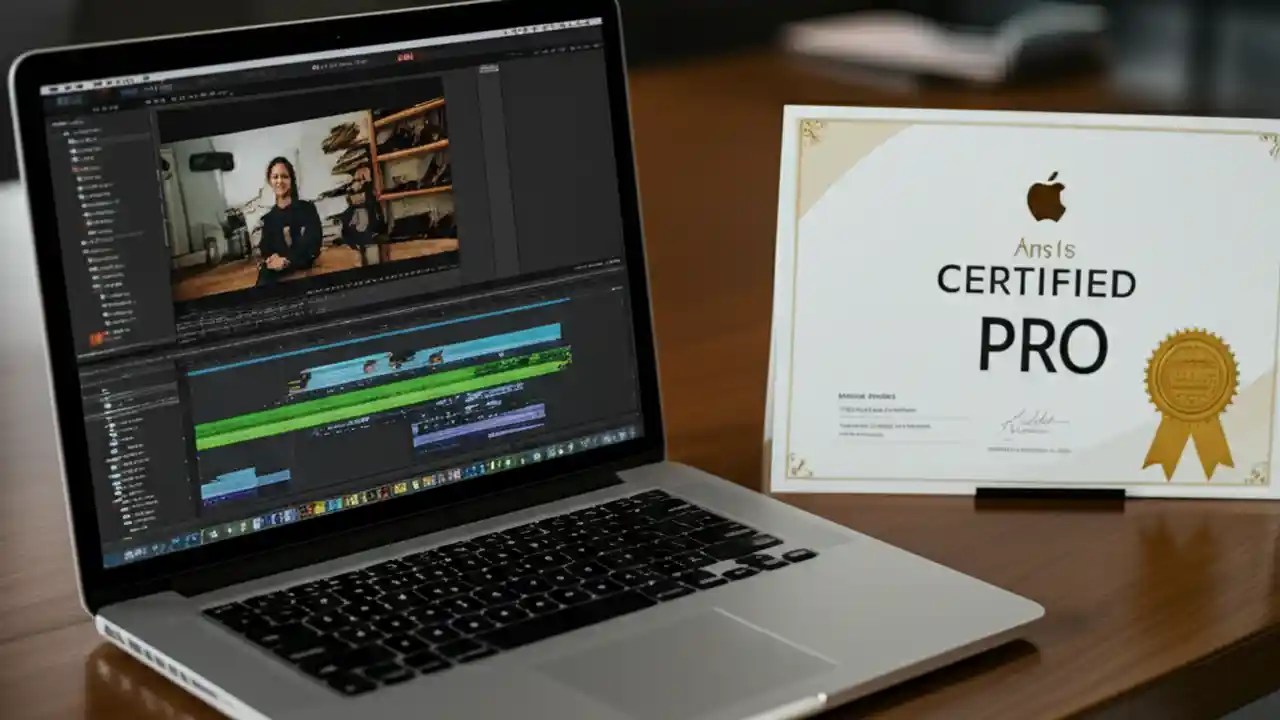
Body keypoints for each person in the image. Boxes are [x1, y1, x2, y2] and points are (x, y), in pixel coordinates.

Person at [256, 157, 323, 286]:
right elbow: (266, 250)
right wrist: (272, 260)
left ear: (291, 180)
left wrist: (288, 261)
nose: (279, 181)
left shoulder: (307, 209)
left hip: (305, 275)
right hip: (277, 277)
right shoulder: (268, 219)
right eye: (275, 177)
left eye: (284, 176)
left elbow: (313, 245)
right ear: (270, 181)